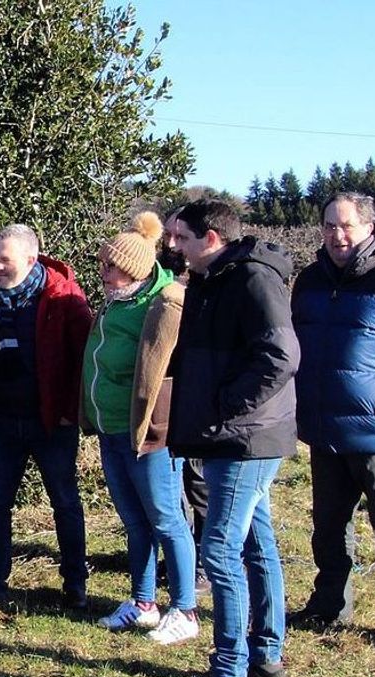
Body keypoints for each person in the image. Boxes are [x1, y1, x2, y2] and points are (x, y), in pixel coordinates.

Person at [168, 200, 299, 677]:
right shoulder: (211, 279)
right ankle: (265, 654)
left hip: (244, 437)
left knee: (219, 549)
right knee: (254, 541)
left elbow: (281, 356)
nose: (173, 245)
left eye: (182, 236)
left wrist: (226, 407)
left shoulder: (251, 281)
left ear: (213, 238)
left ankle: (230, 675)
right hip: (233, 434)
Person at [81, 212, 198, 645]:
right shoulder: (115, 304)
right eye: (103, 265)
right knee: (134, 521)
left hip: (150, 436)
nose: (104, 273)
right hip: (112, 430)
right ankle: (143, 603)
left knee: (167, 520)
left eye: (111, 266)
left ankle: (185, 608)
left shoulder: (164, 302)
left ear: (134, 268)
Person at [0, 224, 93, 609]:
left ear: (31, 260)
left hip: (51, 421)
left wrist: (71, 411)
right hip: (2, 422)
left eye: (5, 259)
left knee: (65, 501)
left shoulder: (63, 297)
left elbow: (82, 356)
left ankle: (75, 584)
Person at [290, 192, 375, 648]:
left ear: (371, 228)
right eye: (330, 226)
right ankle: (329, 603)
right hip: (323, 427)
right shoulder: (311, 280)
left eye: (347, 226)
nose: (337, 235)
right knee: (329, 526)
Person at [163, 209, 211, 595]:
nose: (172, 243)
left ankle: (205, 564)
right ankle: (184, 559)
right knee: (178, 485)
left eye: (179, 235)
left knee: (201, 486)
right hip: (173, 401)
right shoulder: (165, 274)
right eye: (169, 235)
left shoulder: (205, 281)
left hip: (197, 398)